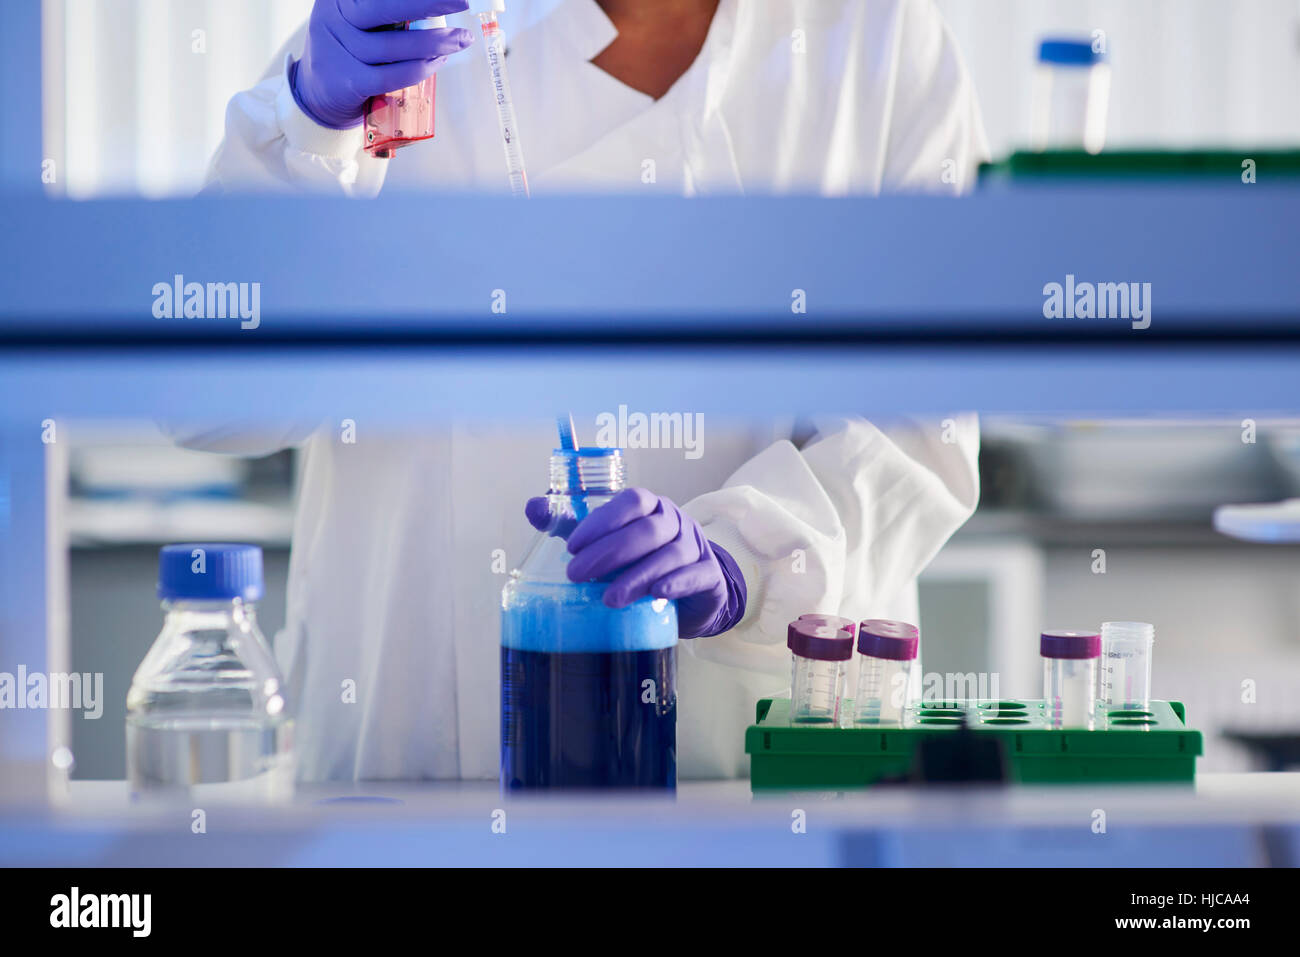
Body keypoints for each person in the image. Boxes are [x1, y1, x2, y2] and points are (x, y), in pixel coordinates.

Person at [194, 0, 986, 782]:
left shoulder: (886, 48)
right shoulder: (410, 26)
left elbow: (918, 429)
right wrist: (307, 126)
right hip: (418, 754)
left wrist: (748, 558)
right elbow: (204, 395)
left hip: (744, 764)